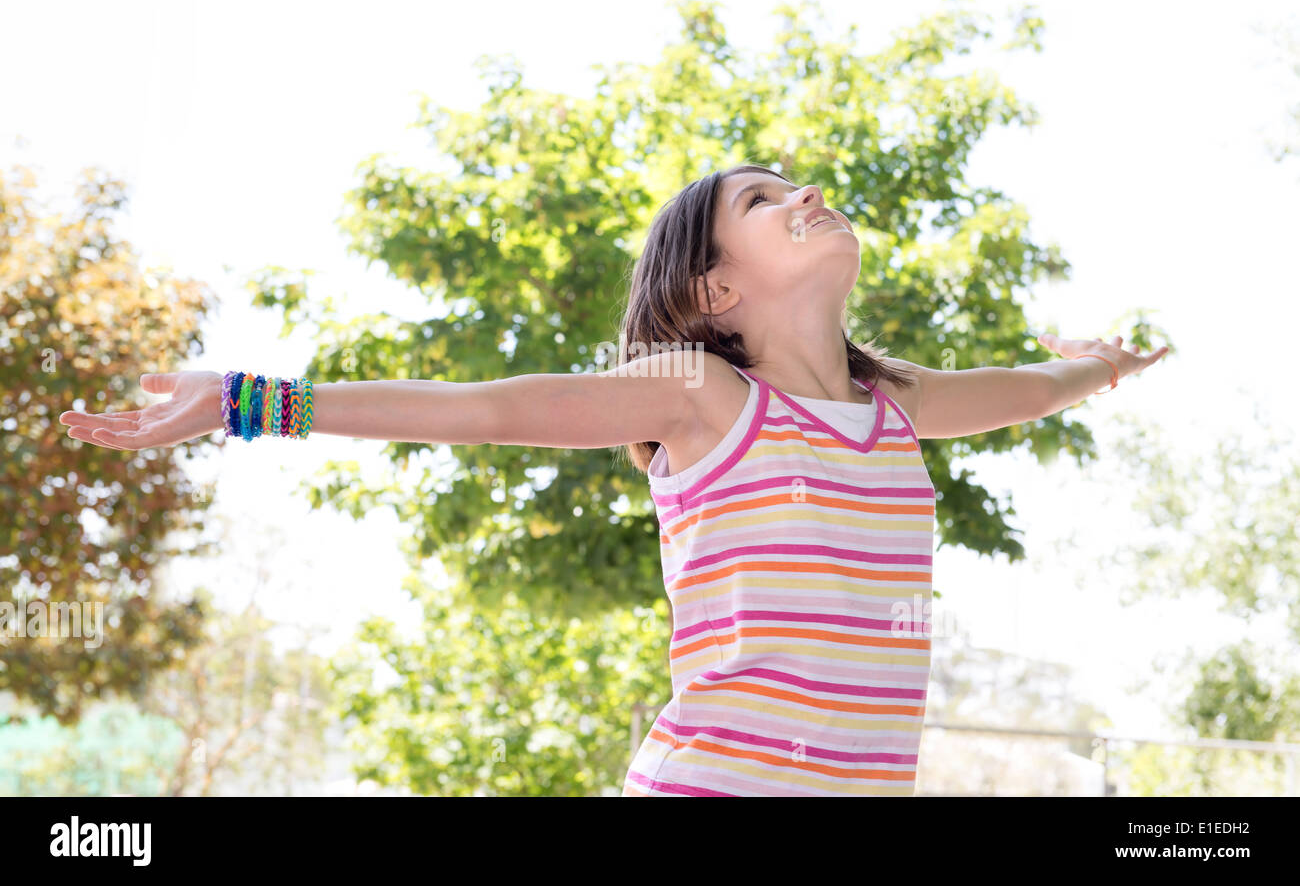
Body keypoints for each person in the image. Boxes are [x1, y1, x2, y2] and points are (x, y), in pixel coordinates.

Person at [58, 162, 1169, 796]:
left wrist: (1100, 366)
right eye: (764, 200)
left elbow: (1021, 385)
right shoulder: (699, 395)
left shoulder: (895, 407)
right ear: (714, 289)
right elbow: (487, 409)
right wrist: (256, 402)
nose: (806, 192)